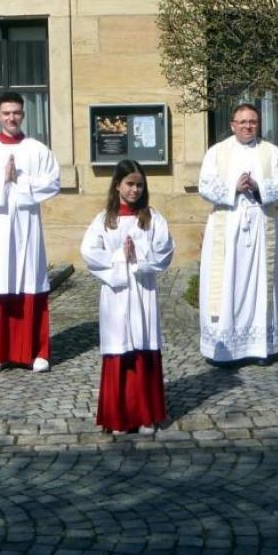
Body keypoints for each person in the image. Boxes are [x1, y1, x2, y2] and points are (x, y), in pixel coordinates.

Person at [0, 92, 61, 374]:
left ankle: (36, 351)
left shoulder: (37, 150)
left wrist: (21, 180)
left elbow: (53, 182)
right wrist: (1, 180)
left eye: (16, 112)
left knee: (29, 282)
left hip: (26, 228)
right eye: (6, 113)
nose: (11, 118)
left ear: (23, 114)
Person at [81, 160, 175, 434]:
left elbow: (165, 250)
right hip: (117, 293)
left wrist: (139, 259)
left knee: (143, 345)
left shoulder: (152, 218)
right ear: (117, 185)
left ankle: (146, 416)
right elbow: (89, 251)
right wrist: (120, 257)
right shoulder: (104, 220)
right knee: (119, 347)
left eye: (139, 185)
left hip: (143, 291)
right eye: (130, 184)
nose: (135, 190)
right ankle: (118, 417)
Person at [197, 102, 278, 363]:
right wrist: (235, 187)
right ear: (232, 125)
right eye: (242, 122)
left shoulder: (271, 152)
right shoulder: (217, 152)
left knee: (260, 284)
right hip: (227, 227)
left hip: (261, 226)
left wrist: (257, 185)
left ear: (258, 124)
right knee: (227, 281)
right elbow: (204, 185)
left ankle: (260, 347)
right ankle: (223, 350)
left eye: (252, 121)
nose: (247, 126)